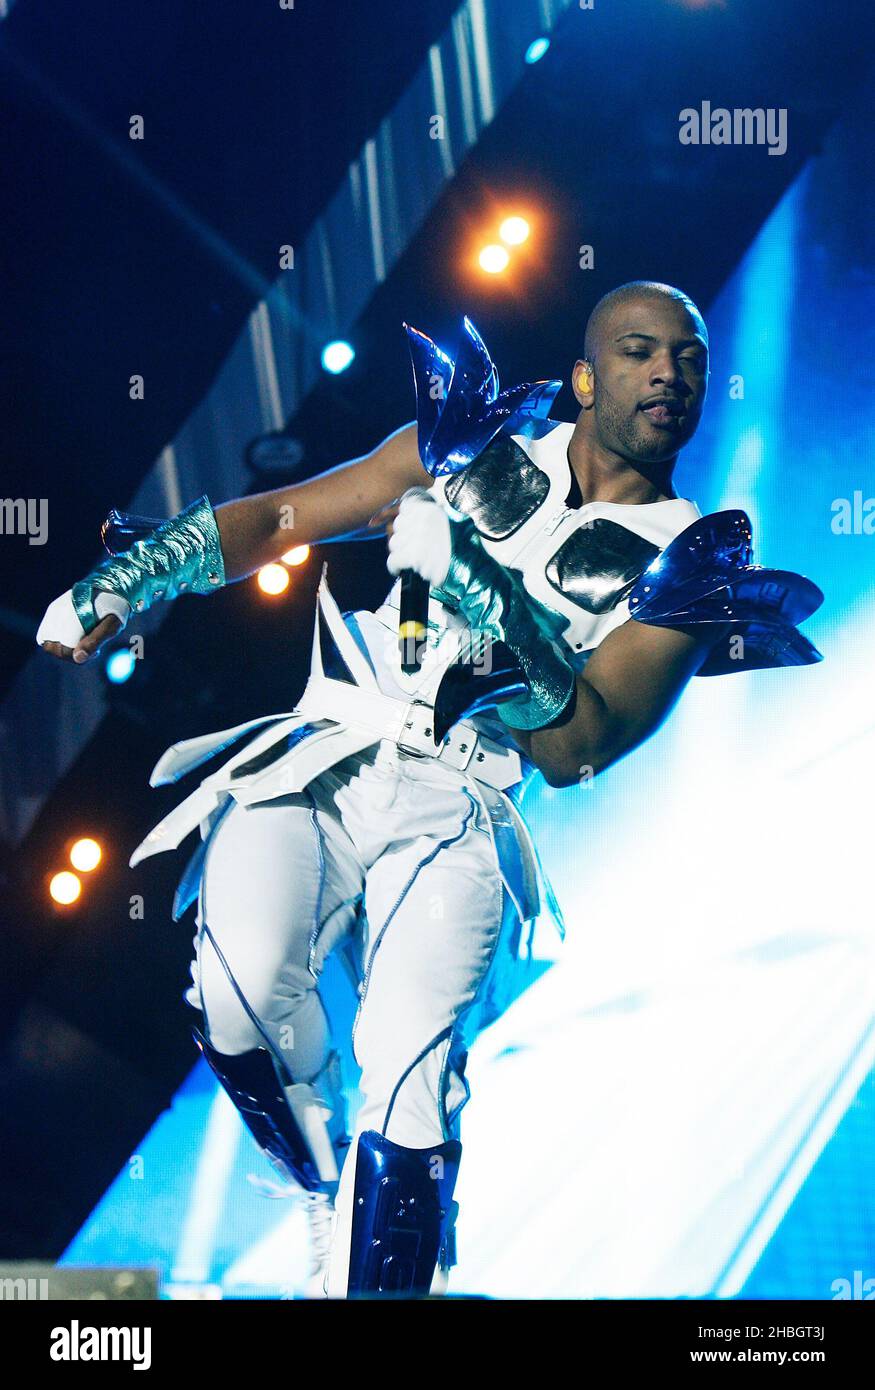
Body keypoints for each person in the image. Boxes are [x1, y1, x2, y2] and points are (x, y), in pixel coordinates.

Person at [36, 281, 822, 1297]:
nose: (668, 371)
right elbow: (283, 511)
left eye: (689, 358)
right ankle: (319, 1186)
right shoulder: (465, 447)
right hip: (333, 748)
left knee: (408, 1085)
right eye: (638, 350)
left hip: (462, 810)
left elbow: (579, 742)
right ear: (584, 377)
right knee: (235, 996)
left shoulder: (687, 570)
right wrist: (135, 576)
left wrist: (475, 584)